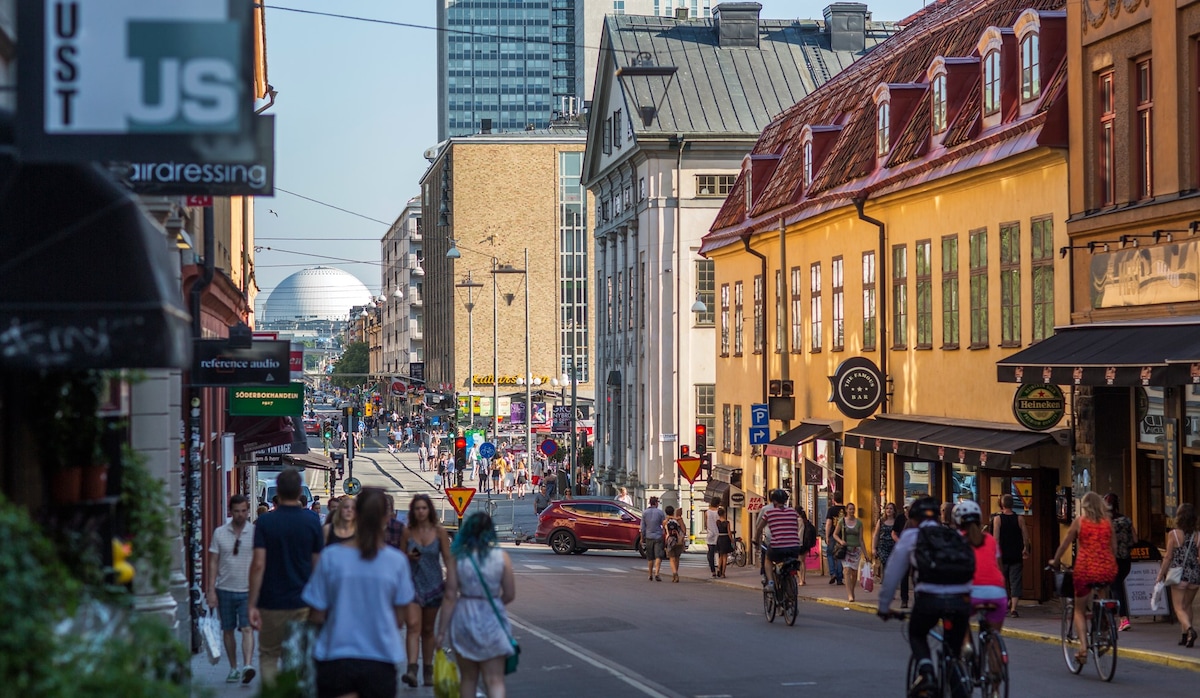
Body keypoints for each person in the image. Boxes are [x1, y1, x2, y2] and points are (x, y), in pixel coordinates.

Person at [302, 487, 415, 698]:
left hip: (335, 654)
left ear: (356, 514)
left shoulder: (331, 557)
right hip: (380, 657)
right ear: (387, 518)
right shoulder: (396, 562)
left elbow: (316, 614)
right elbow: (400, 619)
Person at [877, 497, 973, 698]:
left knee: (917, 634)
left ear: (913, 519)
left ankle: (927, 672)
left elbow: (893, 572)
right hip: (961, 601)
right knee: (953, 654)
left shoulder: (912, 536)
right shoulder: (954, 535)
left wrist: (884, 606)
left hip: (929, 599)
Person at [248, 468, 324, 687]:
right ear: (299, 491)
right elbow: (318, 564)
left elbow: (258, 564)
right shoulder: (311, 521)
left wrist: (252, 603)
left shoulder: (265, 523)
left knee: (269, 654)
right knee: (298, 655)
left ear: (278, 492)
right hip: (303, 601)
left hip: (271, 602)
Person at [438, 513, 517, 698]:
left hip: (464, 616)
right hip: (492, 619)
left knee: (468, 679)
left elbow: (450, 596)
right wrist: (494, 603)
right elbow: (510, 594)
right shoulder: (501, 557)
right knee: (495, 679)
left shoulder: (458, 558)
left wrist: (441, 631)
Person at [1049, 491, 1118, 665]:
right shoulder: (1107, 523)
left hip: (1086, 569)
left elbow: (1065, 544)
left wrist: (1055, 561)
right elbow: (1114, 548)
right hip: (1106, 568)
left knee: (1079, 610)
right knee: (1103, 594)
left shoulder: (1080, 522)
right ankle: (1103, 625)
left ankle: (1083, 648)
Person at [403, 493, 458, 687]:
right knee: (413, 626)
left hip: (433, 585)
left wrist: (452, 580)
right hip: (412, 584)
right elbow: (399, 558)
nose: (420, 511)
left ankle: (428, 669)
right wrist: (409, 555)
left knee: (427, 629)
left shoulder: (439, 532)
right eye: (417, 508)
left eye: (424, 508)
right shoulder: (407, 532)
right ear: (413, 511)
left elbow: (447, 557)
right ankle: (411, 668)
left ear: (429, 510)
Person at [206, 494, 257, 685]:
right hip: (224, 588)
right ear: (230, 511)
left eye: (244, 511)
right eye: (237, 511)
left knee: (246, 628)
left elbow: (260, 561)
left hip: (247, 590)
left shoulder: (254, 532)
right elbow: (213, 563)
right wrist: (210, 590)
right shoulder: (220, 533)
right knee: (227, 630)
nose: (241, 515)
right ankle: (234, 667)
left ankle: (248, 666)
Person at [954, 500, 1007, 632]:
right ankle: (996, 649)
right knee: (994, 636)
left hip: (970, 592)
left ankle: (966, 645)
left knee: (957, 621)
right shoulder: (990, 539)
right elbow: (999, 567)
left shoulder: (957, 540)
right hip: (997, 593)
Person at [1157, 502, 1200, 647]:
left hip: (1179, 573)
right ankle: (1185, 637)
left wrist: (1160, 575)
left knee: (1179, 608)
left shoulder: (1173, 534)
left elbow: (1168, 557)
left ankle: (1189, 630)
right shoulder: (1198, 535)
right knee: (1187, 606)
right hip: (1194, 574)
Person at [753, 489, 802, 592]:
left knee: (768, 559)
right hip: (794, 547)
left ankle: (770, 582)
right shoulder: (793, 512)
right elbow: (796, 527)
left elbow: (759, 528)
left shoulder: (769, 513)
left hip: (777, 546)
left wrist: (756, 540)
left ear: (774, 501)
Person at [991, 493, 1029, 618]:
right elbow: (1025, 535)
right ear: (1012, 504)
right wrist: (1025, 548)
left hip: (1002, 555)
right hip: (1015, 554)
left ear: (1002, 504)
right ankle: (1013, 608)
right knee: (1015, 581)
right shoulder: (1019, 518)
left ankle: (1004, 604)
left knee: (1002, 581)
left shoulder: (998, 519)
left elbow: (996, 538)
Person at [1105, 492, 1137, 631]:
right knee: (1115, 587)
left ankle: (1123, 618)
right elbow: (1135, 539)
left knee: (1117, 589)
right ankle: (1111, 614)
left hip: (1112, 559)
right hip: (1126, 560)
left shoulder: (1105, 522)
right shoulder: (1126, 520)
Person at [834, 502, 865, 602]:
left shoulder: (859, 523)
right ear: (846, 510)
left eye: (853, 509)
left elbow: (861, 539)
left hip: (856, 550)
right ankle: (849, 595)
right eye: (850, 509)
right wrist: (840, 541)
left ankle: (852, 590)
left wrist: (866, 554)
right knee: (847, 570)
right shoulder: (841, 522)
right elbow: (835, 534)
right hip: (846, 549)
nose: (852, 511)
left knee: (855, 573)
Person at [641, 496, 667, 581]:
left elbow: (642, 527)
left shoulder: (645, 513)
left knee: (650, 557)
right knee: (658, 556)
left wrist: (642, 538)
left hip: (649, 536)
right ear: (656, 503)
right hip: (658, 536)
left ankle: (650, 574)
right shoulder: (660, 512)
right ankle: (657, 573)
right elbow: (663, 525)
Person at [874, 502, 898, 585]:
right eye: (887, 508)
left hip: (893, 547)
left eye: (891, 508)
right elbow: (876, 535)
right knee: (886, 564)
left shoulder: (896, 522)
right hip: (882, 546)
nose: (889, 510)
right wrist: (874, 548)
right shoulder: (881, 521)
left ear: (894, 511)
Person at [824, 492, 845, 585]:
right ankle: (840, 578)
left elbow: (828, 523)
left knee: (830, 554)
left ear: (834, 500)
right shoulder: (846, 510)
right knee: (840, 556)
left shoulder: (831, 510)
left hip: (833, 534)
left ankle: (833, 573)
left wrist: (827, 536)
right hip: (843, 535)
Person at [663, 505, 688, 583]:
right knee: (677, 557)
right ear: (673, 512)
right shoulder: (679, 520)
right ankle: (676, 572)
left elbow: (664, 530)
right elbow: (684, 530)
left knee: (671, 558)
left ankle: (674, 573)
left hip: (670, 541)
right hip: (678, 540)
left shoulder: (665, 521)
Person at [715, 507, 733, 578]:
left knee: (720, 556)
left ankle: (719, 569)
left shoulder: (717, 522)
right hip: (725, 538)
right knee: (725, 557)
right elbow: (729, 532)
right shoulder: (727, 522)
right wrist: (731, 539)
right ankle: (723, 573)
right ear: (724, 514)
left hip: (720, 538)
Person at [705, 496, 721, 578]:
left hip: (710, 534)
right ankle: (719, 569)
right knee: (720, 553)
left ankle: (712, 571)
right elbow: (720, 522)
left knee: (711, 554)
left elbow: (705, 523)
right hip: (718, 534)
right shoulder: (719, 512)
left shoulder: (707, 512)